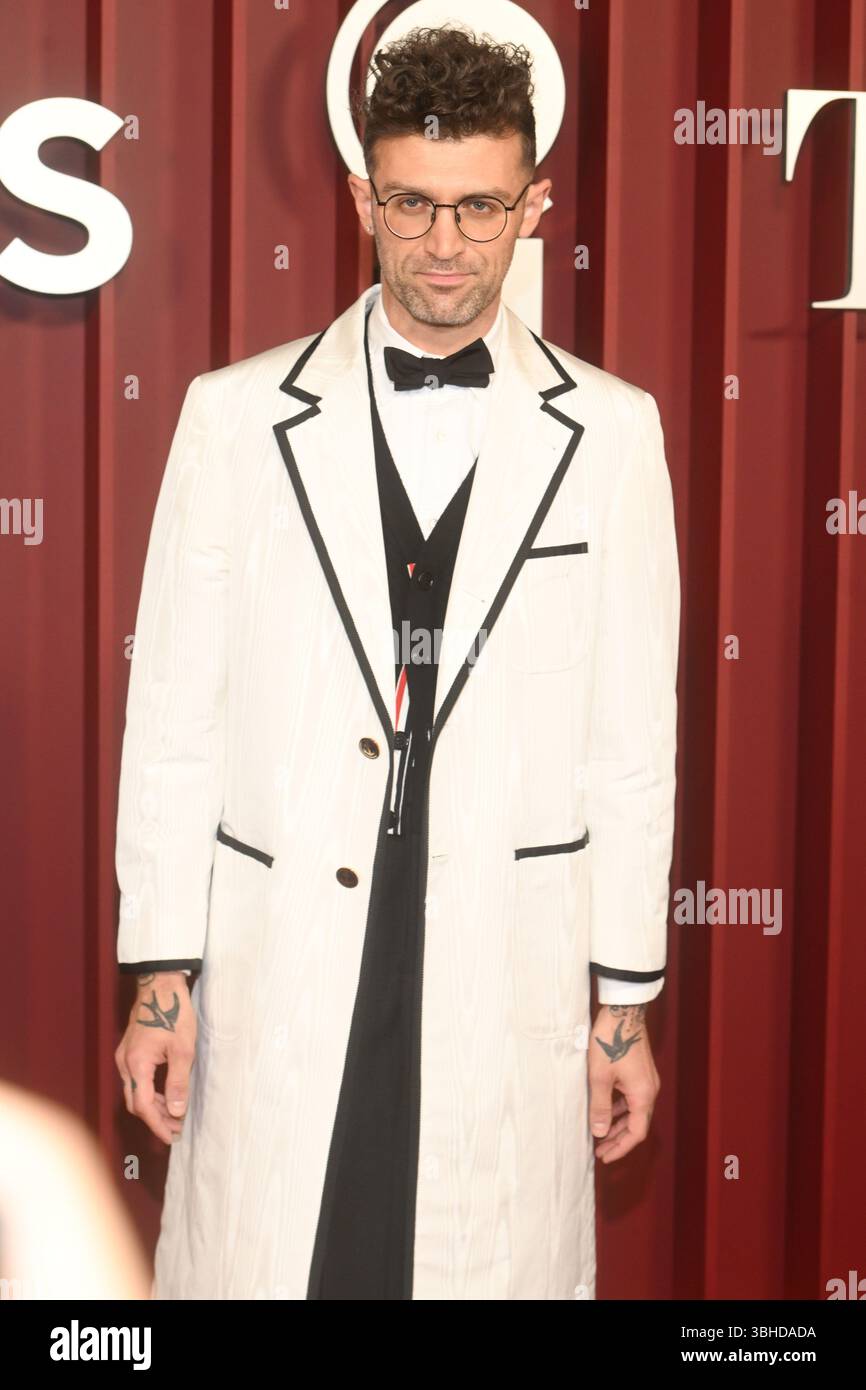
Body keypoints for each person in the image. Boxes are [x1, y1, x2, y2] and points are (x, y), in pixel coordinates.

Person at [113, 24, 680, 1300]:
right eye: (413, 203)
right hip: (284, 961)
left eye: (480, 206)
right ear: (364, 199)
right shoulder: (231, 417)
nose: (444, 242)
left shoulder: (613, 433)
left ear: (533, 207)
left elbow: (630, 746)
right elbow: (176, 718)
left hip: (503, 960)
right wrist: (160, 975)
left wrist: (621, 1002)